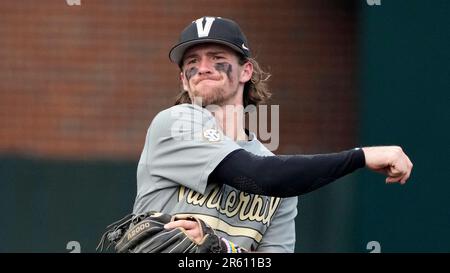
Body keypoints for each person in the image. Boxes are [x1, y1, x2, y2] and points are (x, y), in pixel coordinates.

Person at [132, 16, 413, 253]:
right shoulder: (173, 125)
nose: (203, 67)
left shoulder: (283, 185)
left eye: (217, 58)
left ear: (246, 71)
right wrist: (360, 157)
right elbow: (259, 176)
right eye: (192, 61)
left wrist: (219, 249)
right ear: (183, 78)